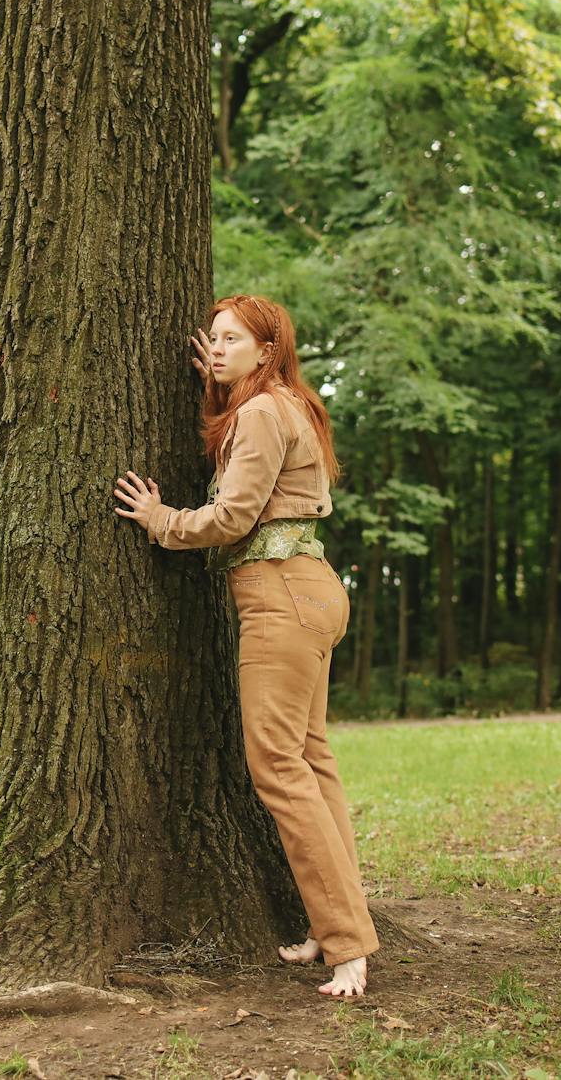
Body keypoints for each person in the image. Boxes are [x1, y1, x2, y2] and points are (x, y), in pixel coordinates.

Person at [111, 293, 378, 999]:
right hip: (312, 588)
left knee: (279, 769)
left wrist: (161, 518)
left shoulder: (261, 411)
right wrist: (216, 383)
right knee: (312, 765)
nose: (220, 346)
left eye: (235, 339)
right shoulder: (287, 403)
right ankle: (339, 928)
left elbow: (232, 515)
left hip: (280, 597)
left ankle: (348, 944)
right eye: (216, 338)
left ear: (268, 350)